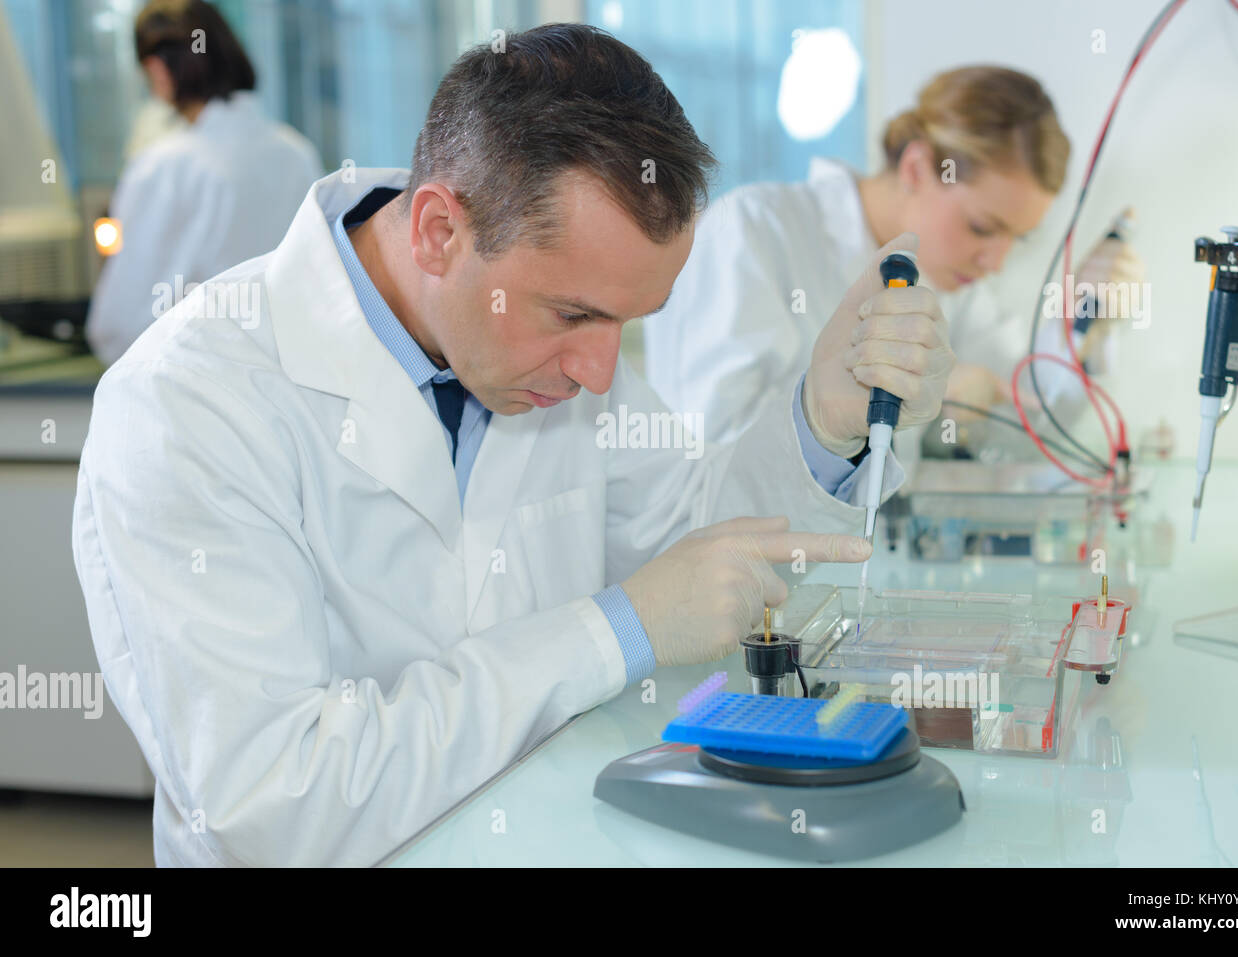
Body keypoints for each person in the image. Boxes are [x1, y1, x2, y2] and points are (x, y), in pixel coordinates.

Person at [71, 24, 955, 866]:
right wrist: (612, 630)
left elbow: (693, 551)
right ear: (438, 233)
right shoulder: (189, 404)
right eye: (573, 315)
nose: (601, 373)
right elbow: (274, 804)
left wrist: (824, 420)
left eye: (627, 323)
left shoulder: (546, 361)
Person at [644, 66, 1144, 462]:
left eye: (1018, 238)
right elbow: (720, 444)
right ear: (916, 168)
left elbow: (1030, 421)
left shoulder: (949, 283)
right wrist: (919, 403)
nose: (996, 261)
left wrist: (1085, 323)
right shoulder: (753, 231)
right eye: (981, 228)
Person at [85, 0, 322, 365]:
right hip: (291, 371)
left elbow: (119, 323)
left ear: (157, 69)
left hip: (194, 378)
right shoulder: (298, 153)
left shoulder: (163, 167)